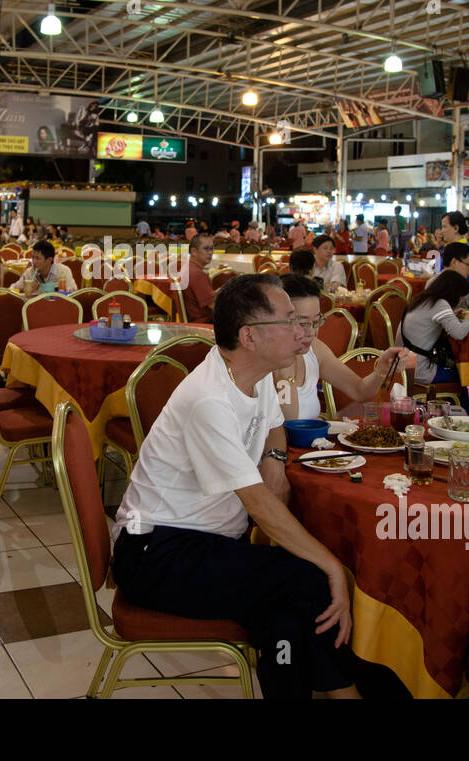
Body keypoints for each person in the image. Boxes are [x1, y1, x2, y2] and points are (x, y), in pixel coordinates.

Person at [112, 274, 358, 700]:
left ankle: (338, 690)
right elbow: (259, 505)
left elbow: (276, 428)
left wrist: (275, 461)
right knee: (311, 578)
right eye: (289, 321)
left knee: (284, 617)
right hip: (156, 551)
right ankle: (348, 690)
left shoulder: (254, 374)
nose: (303, 332)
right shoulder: (210, 398)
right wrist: (333, 565)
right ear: (249, 336)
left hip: (209, 539)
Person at [272, 274, 409, 421]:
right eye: (302, 323)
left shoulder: (315, 350)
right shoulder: (264, 362)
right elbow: (287, 423)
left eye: (316, 321)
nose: (311, 332)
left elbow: (359, 390)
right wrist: (285, 375)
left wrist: (381, 370)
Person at [398, 269, 469, 388]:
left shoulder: (422, 299)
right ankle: (460, 406)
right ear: (453, 294)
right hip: (419, 370)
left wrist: (452, 315)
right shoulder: (440, 304)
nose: (461, 301)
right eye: (461, 296)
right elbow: (458, 333)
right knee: (468, 376)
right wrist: (468, 320)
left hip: (403, 363)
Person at [10, 240, 76, 295]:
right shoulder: (30, 272)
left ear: (49, 260)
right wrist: (26, 289)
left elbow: (73, 292)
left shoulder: (63, 271)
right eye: (32, 257)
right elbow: (12, 289)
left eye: (38, 258)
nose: (34, 261)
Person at [182, 233, 217, 323]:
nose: (210, 253)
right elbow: (214, 306)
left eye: (212, 249)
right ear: (193, 251)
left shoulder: (187, 268)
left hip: (192, 322)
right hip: (204, 323)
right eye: (206, 249)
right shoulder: (197, 274)